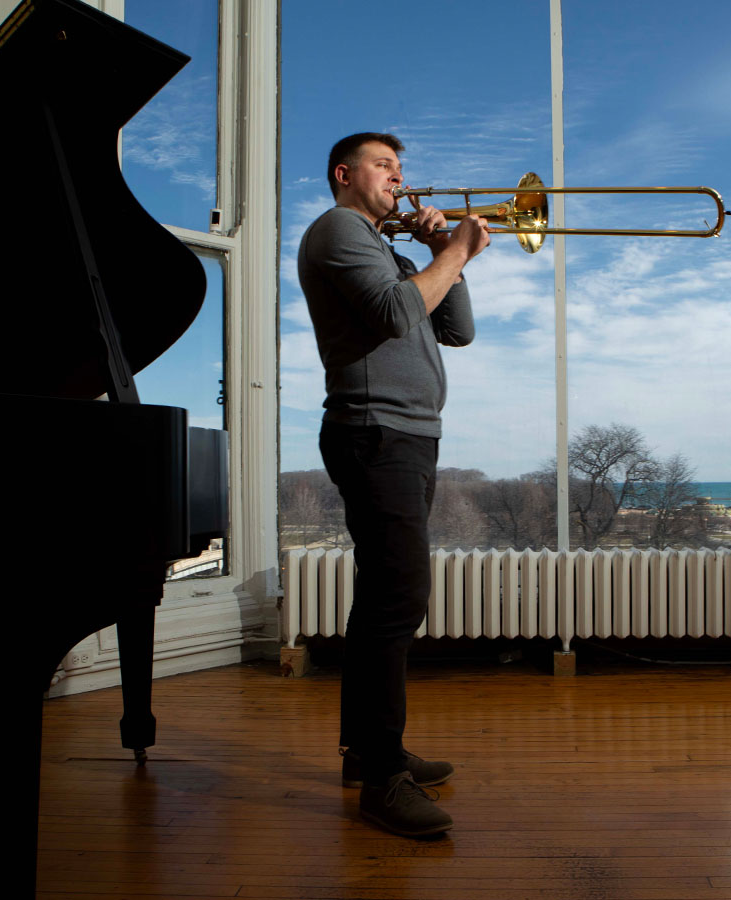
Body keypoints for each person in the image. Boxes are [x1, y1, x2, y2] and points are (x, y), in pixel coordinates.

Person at [297, 132, 490, 837]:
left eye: (400, 170)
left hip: (407, 435)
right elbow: (392, 314)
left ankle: (367, 752)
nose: (399, 181)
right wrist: (454, 252)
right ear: (343, 173)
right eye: (385, 167)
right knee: (398, 598)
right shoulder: (337, 230)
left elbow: (457, 331)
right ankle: (383, 780)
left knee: (384, 597)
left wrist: (450, 260)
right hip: (373, 433)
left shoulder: (390, 250)